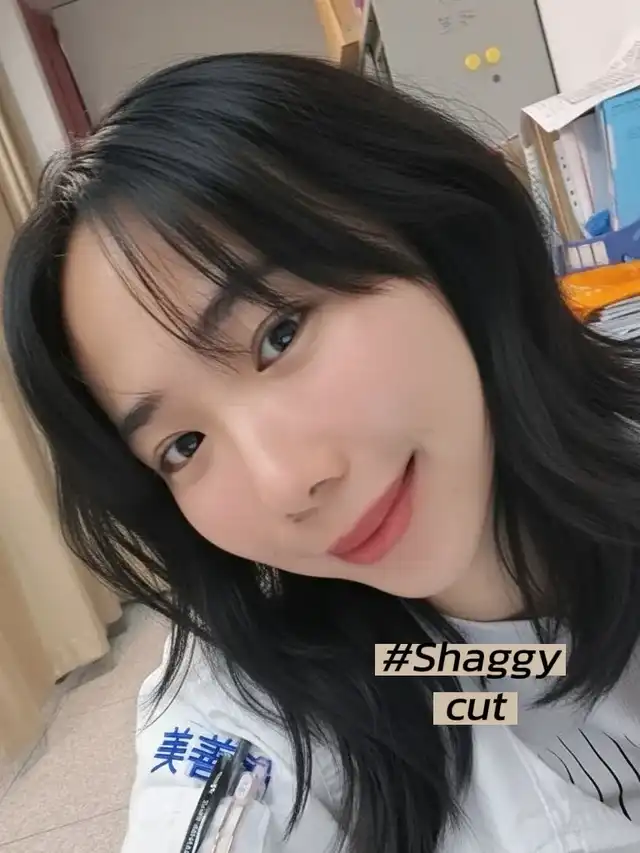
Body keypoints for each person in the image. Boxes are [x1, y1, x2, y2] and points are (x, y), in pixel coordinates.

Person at [4, 53, 640, 853]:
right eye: (184, 445)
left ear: (431, 234)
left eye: (279, 334)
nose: (286, 482)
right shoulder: (316, 691)